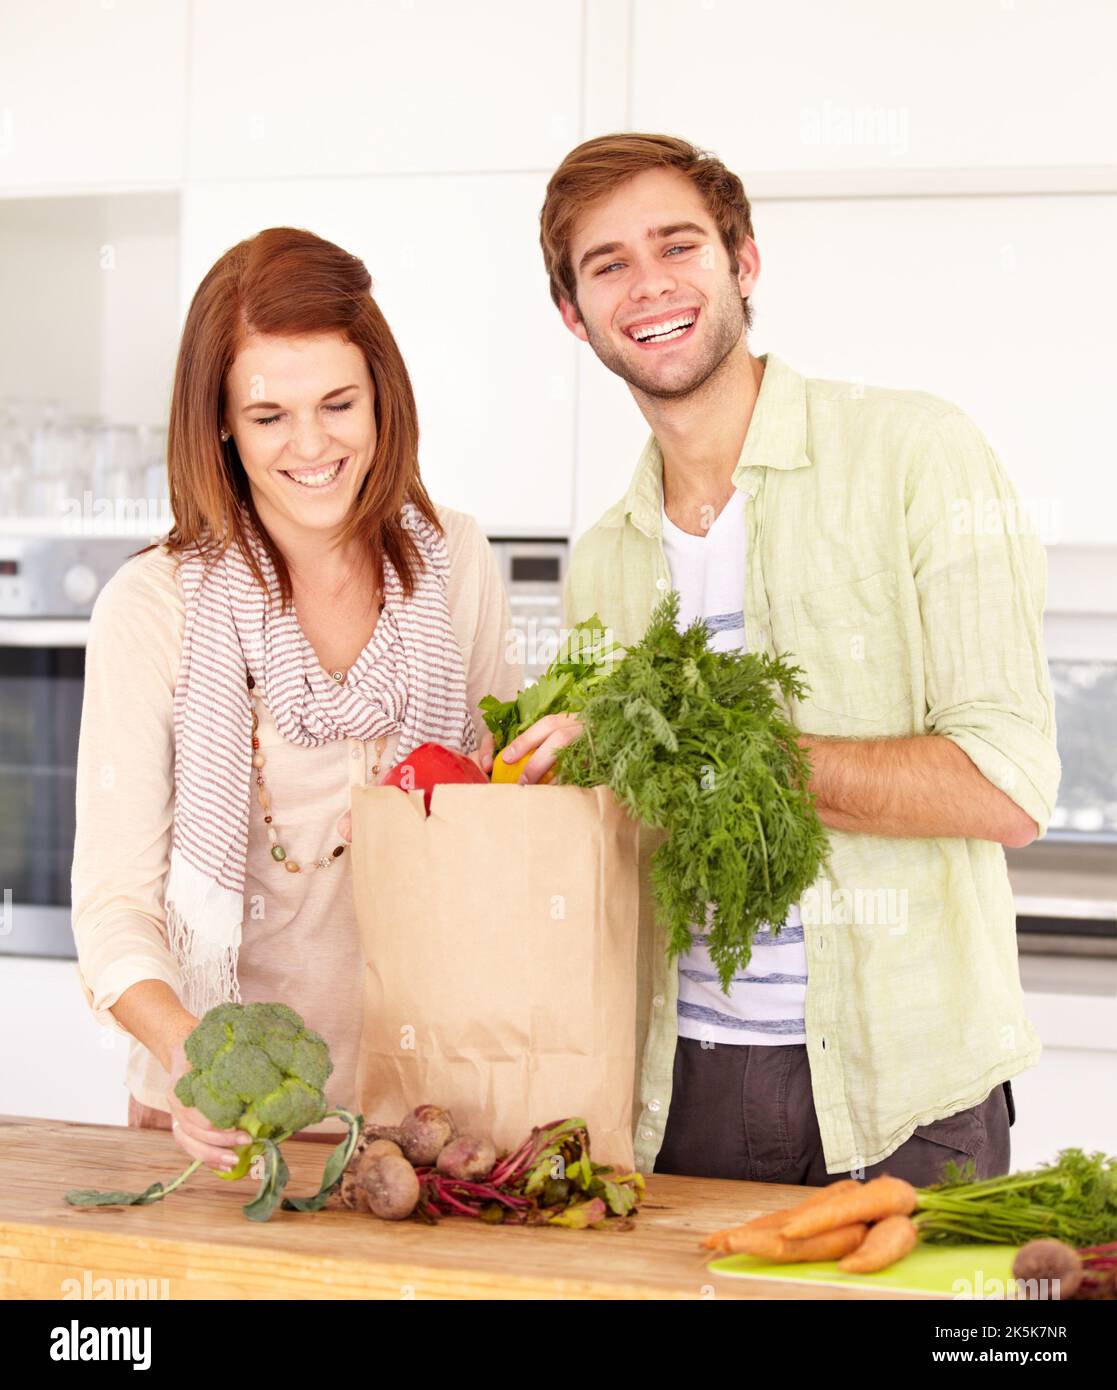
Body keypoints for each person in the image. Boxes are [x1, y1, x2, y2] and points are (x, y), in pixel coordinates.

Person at [501, 132, 1061, 1186]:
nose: (650, 284)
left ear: (742, 263)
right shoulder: (603, 562)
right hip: (684, 1090)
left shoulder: (913, 454)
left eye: (678, 245)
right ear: (574, 315)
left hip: (910, 1088)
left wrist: (702, 749)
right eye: (608, 264)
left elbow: (1007, 784)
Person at [71, 227, 519, 1173]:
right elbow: (111, 910)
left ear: (381, 397)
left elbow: (497, 818)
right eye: (268, 415)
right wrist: (193, 1058)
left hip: (427, 1108)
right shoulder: (155, 606)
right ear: (221, 423)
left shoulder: (458, 564)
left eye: (338, 403)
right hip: (224, 1121)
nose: (311, 446)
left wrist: (548, 768)